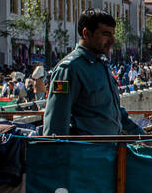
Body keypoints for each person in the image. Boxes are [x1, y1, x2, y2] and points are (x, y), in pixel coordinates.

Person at [42, 9, 143, 137]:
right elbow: (56, 124)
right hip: (86, 153)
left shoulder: (101, 65)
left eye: (113, 34)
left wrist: (142, 135)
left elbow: (114, 113)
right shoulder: (69, 69)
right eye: (106, 34)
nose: (112, 40)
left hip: (109, 152)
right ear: (86, 33)